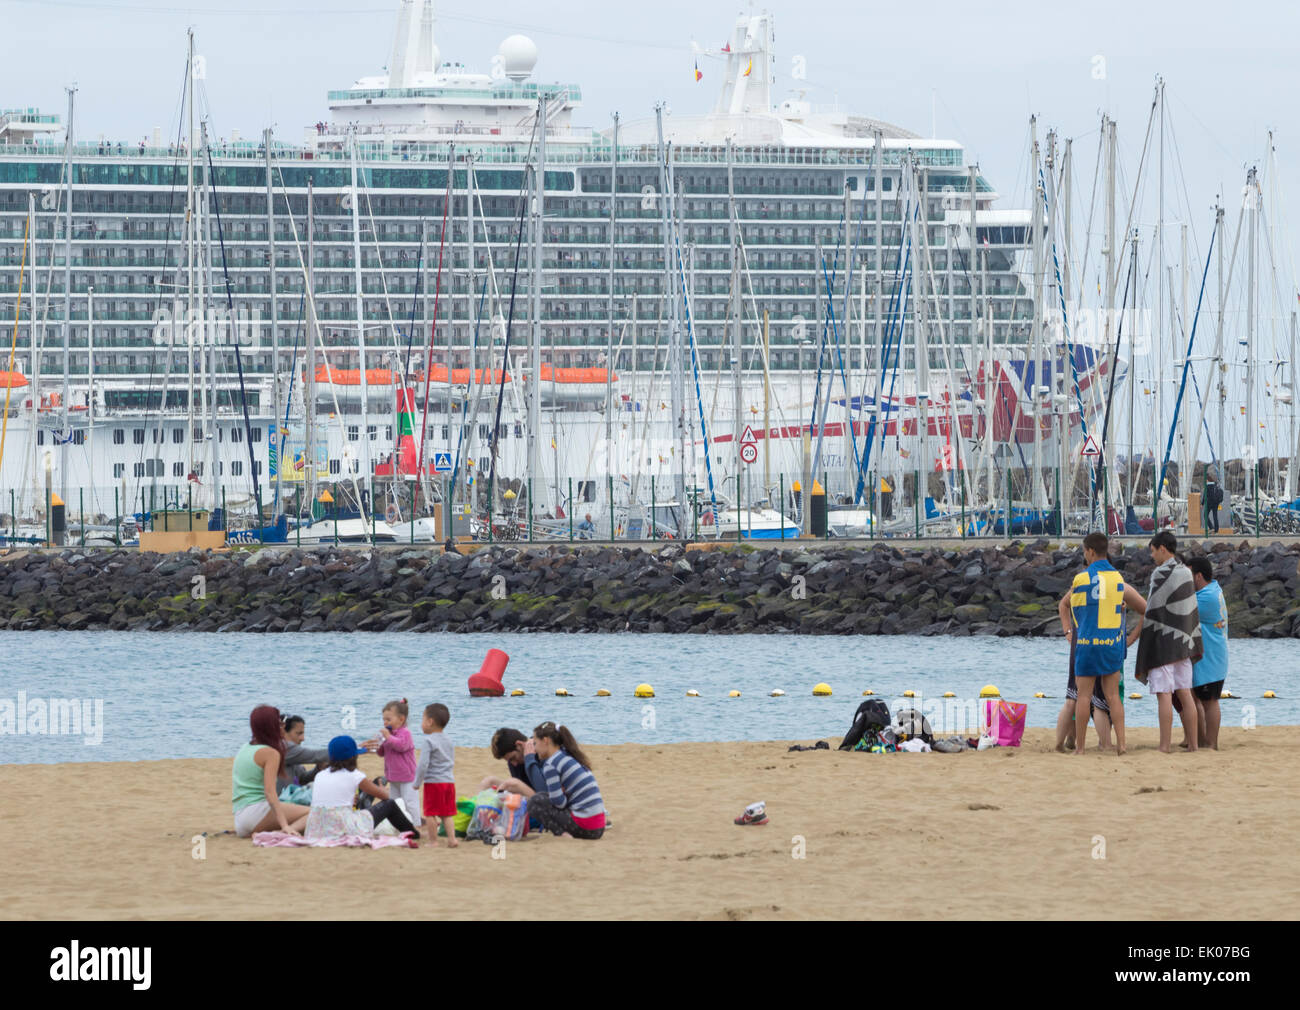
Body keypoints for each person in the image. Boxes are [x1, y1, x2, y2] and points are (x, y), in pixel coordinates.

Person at [1058, 532, 1145, 755]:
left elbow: (1065, 605)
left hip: (1086, 643)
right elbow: (1146, 609)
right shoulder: (1118, 580)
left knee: (1083, 697)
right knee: (1113, 696)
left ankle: (1079, 748)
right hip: (1111, 644)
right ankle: (1122, 745)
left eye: (1084, 551)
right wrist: (1132, 637)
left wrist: (1068, 631)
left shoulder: (1080, 580)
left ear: (1090, 551)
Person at [1135, 531, 1203, 753]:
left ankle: (1165, 746)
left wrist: (1137, 639)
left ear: (1162, 548)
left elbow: (1152, 612)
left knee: (1164, 694)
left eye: (1153, 551)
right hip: (1184, 641)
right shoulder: (1186, 572)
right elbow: (1189, 611)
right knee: (1185, 692)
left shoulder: (1160, 574)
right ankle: (1193, 744)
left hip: (1164, 642)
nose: (1153, 556)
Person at [306, 736, 419, 842]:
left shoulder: (320, 775)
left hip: (317, 828)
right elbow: (384, 796)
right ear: (354, 757)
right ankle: (414, 834)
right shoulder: (355, 775)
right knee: (389, 804)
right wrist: (382, 789)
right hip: (342, 827)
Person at [232, 705, 311, 838]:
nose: (283, 728)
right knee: (315, 813)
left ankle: (274, 831)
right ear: (270, 727)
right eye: (280, 724)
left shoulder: (245, 748)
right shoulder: (271, 753)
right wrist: (285, 825)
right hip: (256, 813)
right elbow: (270, 792)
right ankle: (281, 833)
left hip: (240, 818)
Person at [520, 722, 606, 839]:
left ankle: (561, 834)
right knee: (544, 797)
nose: (534, 749)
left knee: (534, 802)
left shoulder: (551, 764)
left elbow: (559, 803)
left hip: (585, 826)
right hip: (599, 826)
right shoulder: (568, 755)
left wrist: (561, 795)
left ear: (545, 741)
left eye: (535, 743)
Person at [1186, 556, 1228, 750]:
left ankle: (1211, 743)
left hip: (1210, 659)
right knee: (1204, 700)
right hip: (1215, 657)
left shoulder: (1205, 597)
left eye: (1188, 575)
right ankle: (1204, 741)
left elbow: (1180, 610)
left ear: (1198, 576)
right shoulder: (1213, 589)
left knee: (1209, 702)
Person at [1054, 637, 1115, 752]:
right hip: (1099, 641)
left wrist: (1067, 629)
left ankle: (1061, 743)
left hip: (1080, 643)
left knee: (1073, 697)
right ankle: (1105, 743)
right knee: (1098, 702)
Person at [363, 699, 419, 821]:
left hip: (407, 777)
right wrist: (378, 744)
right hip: (393, 776)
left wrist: (388, 737)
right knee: (394, 803)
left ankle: (416, 824)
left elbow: (401, 746)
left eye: (388, 720)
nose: (385, 722)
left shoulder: (405, 733)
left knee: (410, 803)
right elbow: (382, 753)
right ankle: (398, 823)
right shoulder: (388, 734)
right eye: (384, 720)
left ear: (401, 719)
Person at [415, 703, 458, 848]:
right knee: (447, 814)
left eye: (422, 719)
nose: (421, 723)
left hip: (434, 782)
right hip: (449, 782)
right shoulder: (449, 740)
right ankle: (452, 839)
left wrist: (417, 782)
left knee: (430, 813)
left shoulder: (429, 740)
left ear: (430, 722)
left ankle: (433, 841)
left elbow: (423, 765)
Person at [280, 714, 329, 788]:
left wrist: (318, 768)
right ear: (283, 731)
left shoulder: (292, 755)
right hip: (277, 798)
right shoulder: (283, 748)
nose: (303, 738)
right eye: (299, 733)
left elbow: (303, 779)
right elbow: (314, 756)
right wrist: (343, 751)